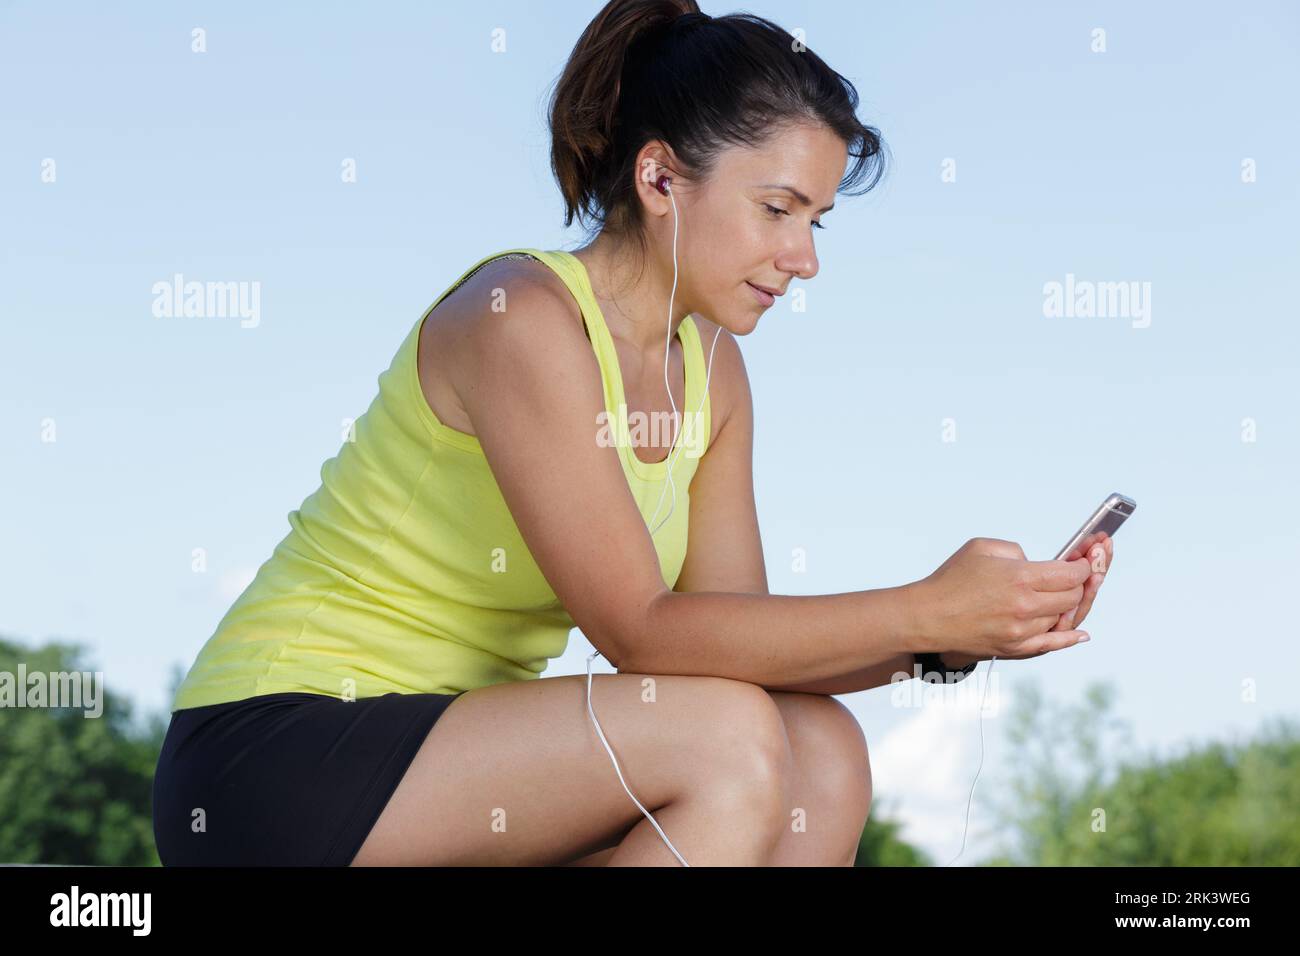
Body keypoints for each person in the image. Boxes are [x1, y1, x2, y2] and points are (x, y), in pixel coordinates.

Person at [152, 0, 1114, 868]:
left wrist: (963, 636)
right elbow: (644, 634)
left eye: (817, 220)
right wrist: (922, 610)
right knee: (726, 737)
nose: (805, 257)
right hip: (282, 751)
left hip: (461, 757)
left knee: (819, 745)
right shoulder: (519, 318)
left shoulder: (715, 373)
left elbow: (738, 640)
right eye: (778, 209)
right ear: (660, 177)